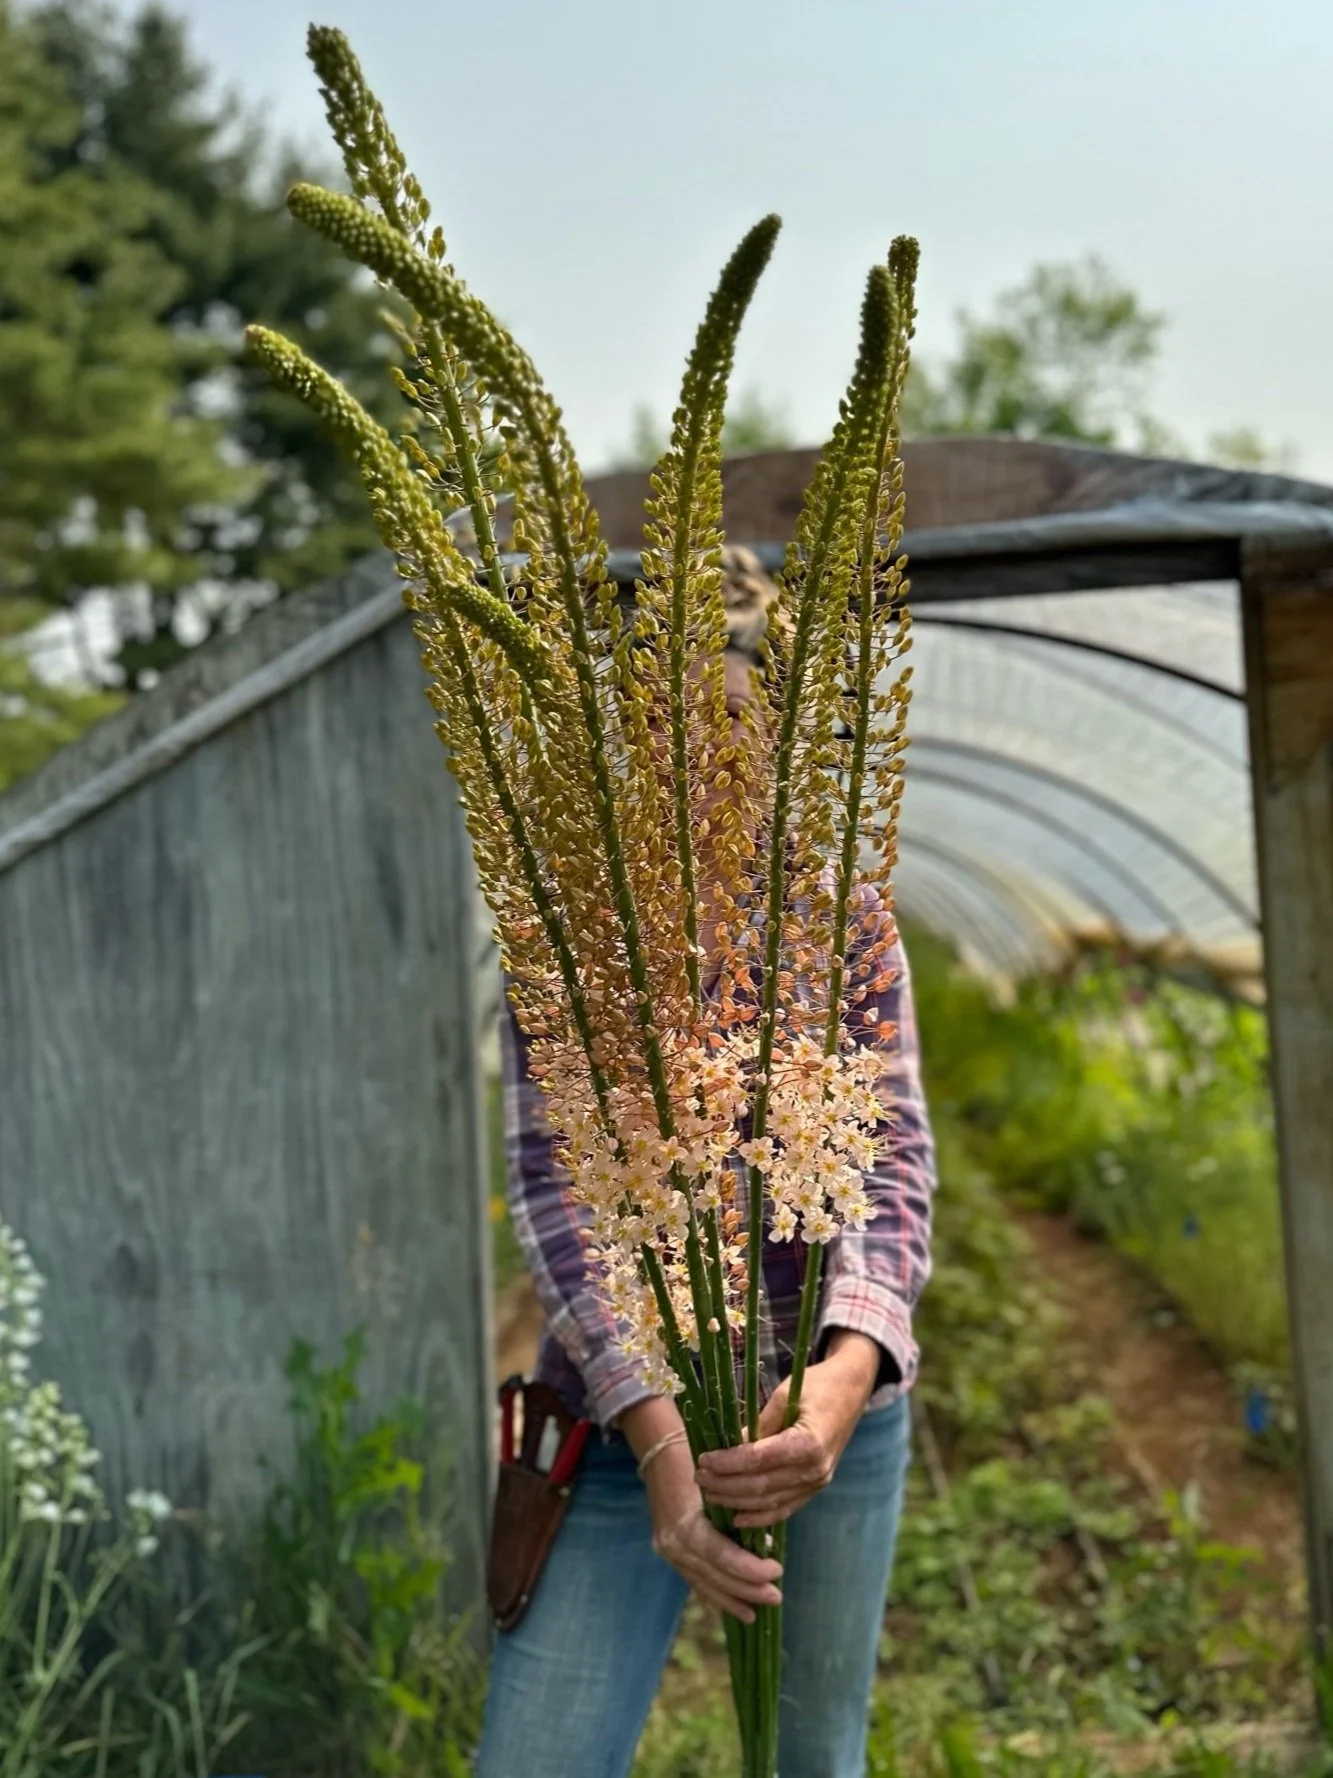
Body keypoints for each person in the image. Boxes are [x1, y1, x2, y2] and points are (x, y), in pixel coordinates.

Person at [475, 548, 936, 1778]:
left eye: (737, 728)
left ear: (776, 730)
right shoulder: (569, 941)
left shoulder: (844, 920)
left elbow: (888, 1174)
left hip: (821, 1417)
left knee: (811, 1756)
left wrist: (839, 1385)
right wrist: (668, 1443)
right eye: (676, 734)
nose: (711, 770)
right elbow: (561, 1201)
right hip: (621, 1425)